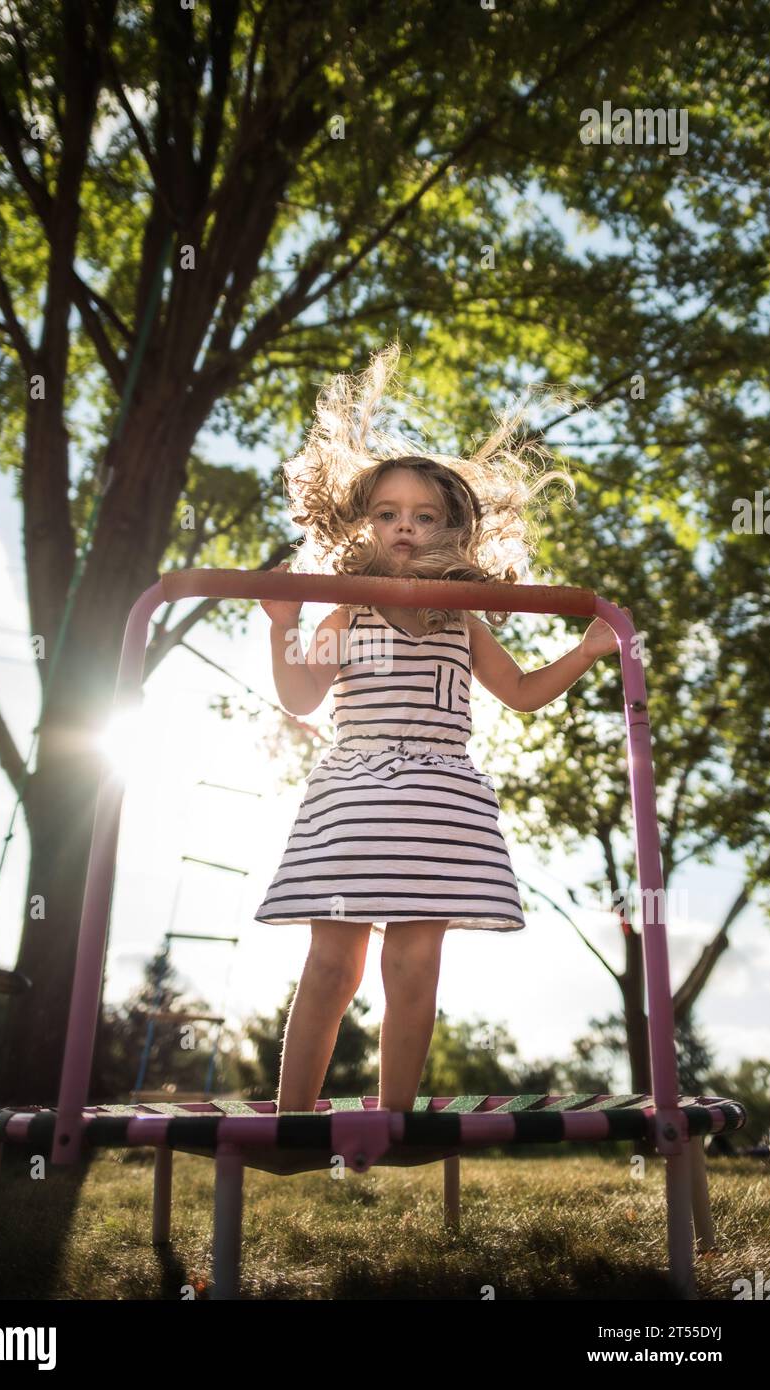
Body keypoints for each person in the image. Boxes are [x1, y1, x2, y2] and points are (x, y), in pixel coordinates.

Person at [252, 341, 629, 1113]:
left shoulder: (460, 624)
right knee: (333, 959)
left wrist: (586, 651)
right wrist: (281, 624)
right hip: (353, 791)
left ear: (451, 533)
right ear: (362, 523)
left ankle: (390, 1117)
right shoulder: (346, 610)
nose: (404, 529)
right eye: (387, 514)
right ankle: (295, 1115)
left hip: (439, 797)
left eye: (424, 518)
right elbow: (299, 696)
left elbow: (521, 694)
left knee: (414, 962)